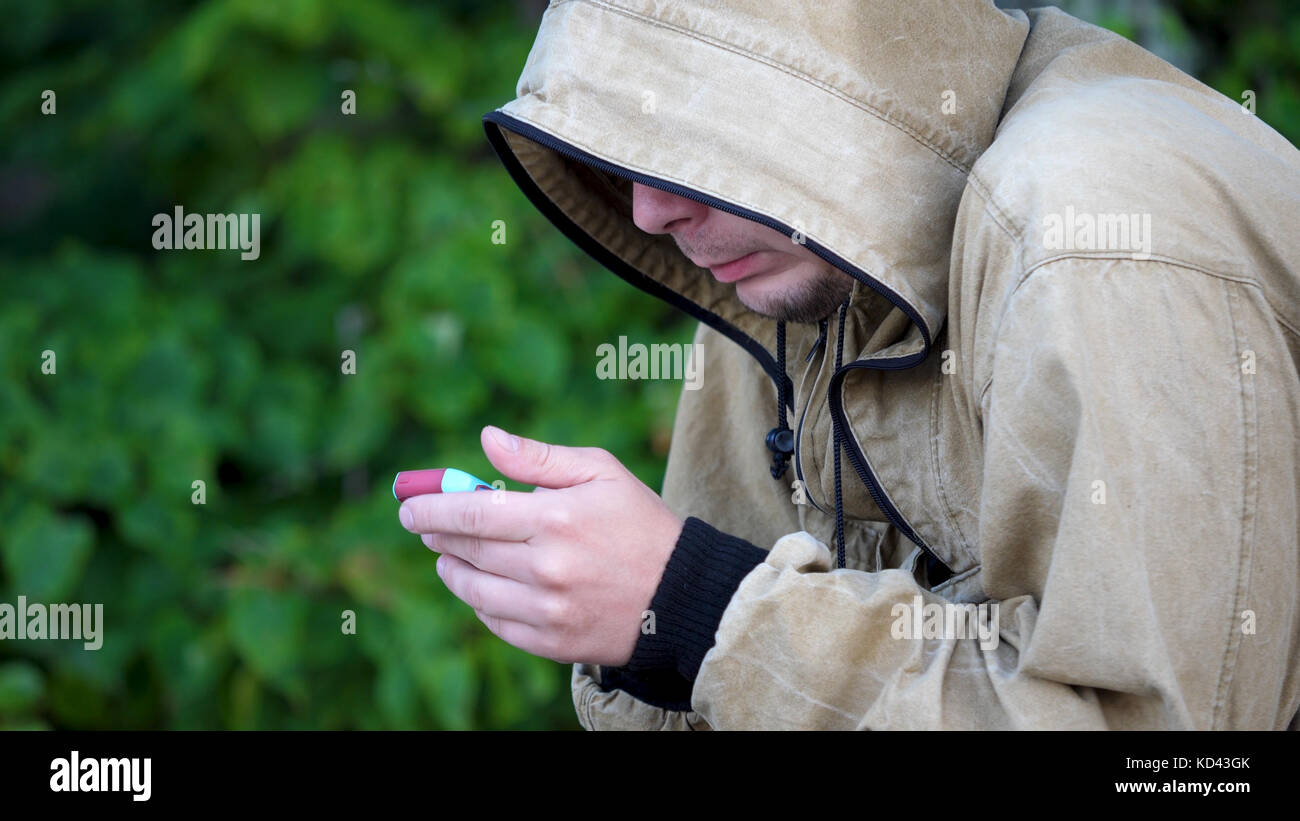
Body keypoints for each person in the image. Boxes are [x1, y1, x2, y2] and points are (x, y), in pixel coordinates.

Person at [397, 0, 1300, 729]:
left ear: (827, 94)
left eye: (679, 135)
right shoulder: (792, 261)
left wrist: (694, 610)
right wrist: (639, 626)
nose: (647, 213)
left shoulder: (1093, 245)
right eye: (624, 148)